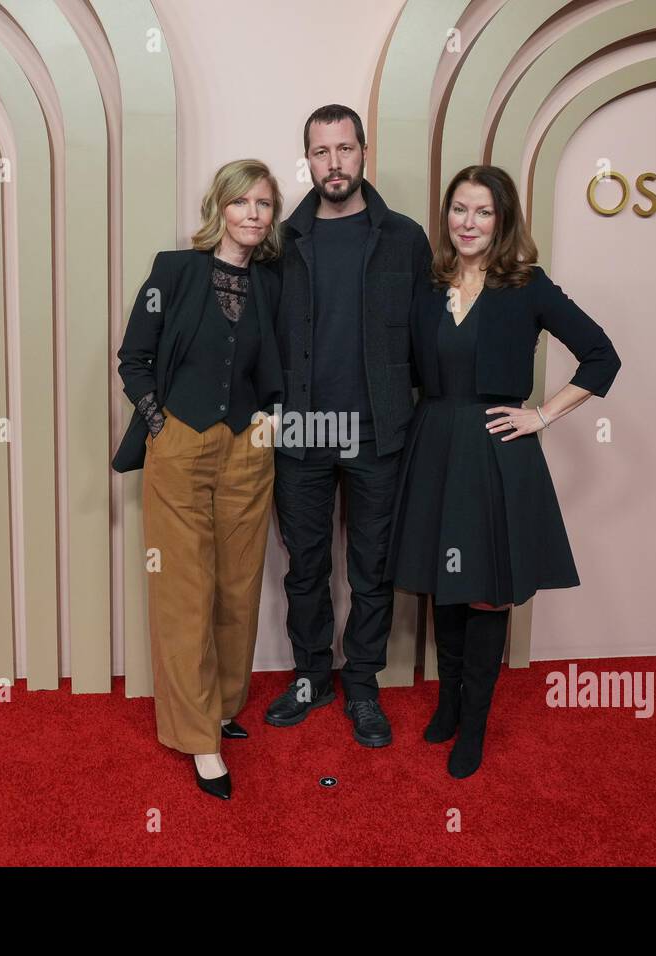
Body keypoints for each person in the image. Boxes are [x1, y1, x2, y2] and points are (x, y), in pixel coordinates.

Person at [388, 164, 622, 778]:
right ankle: (447, 707)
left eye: (483, 212)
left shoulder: (528, 285)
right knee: (447, 585)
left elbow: (602, 357)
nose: (469, 223)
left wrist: (541, 415)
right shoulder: (427, 284)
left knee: (487, 594)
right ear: (448, 217)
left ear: (503, 220)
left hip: (495, 452)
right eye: (460, 210)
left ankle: (475, 726)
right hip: (435, 443)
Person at [112, 159, 285, 800]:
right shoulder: (174, 271)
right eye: (243, 202)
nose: (253, 214)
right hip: (180, 444)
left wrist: (268, 421)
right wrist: (159, 425)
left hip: (250, 445)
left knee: (237, 587)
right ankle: (198, 740)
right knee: (185, 590)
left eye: (265, 204)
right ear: (221, 206)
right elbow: (134, 359)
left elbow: (280, 364)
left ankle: (221, 707)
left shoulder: (271, 283)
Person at [266, 104, 431, 747]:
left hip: (379, 432)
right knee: (305, 567)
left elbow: (426, 336)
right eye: (320, 152)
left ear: (364, 152)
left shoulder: (405, 238)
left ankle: (362, 683)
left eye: (344, 149)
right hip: (303, 434)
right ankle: (311, 676)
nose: (333, 163)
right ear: (306, 160)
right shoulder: (282, 241)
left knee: (372, 568)